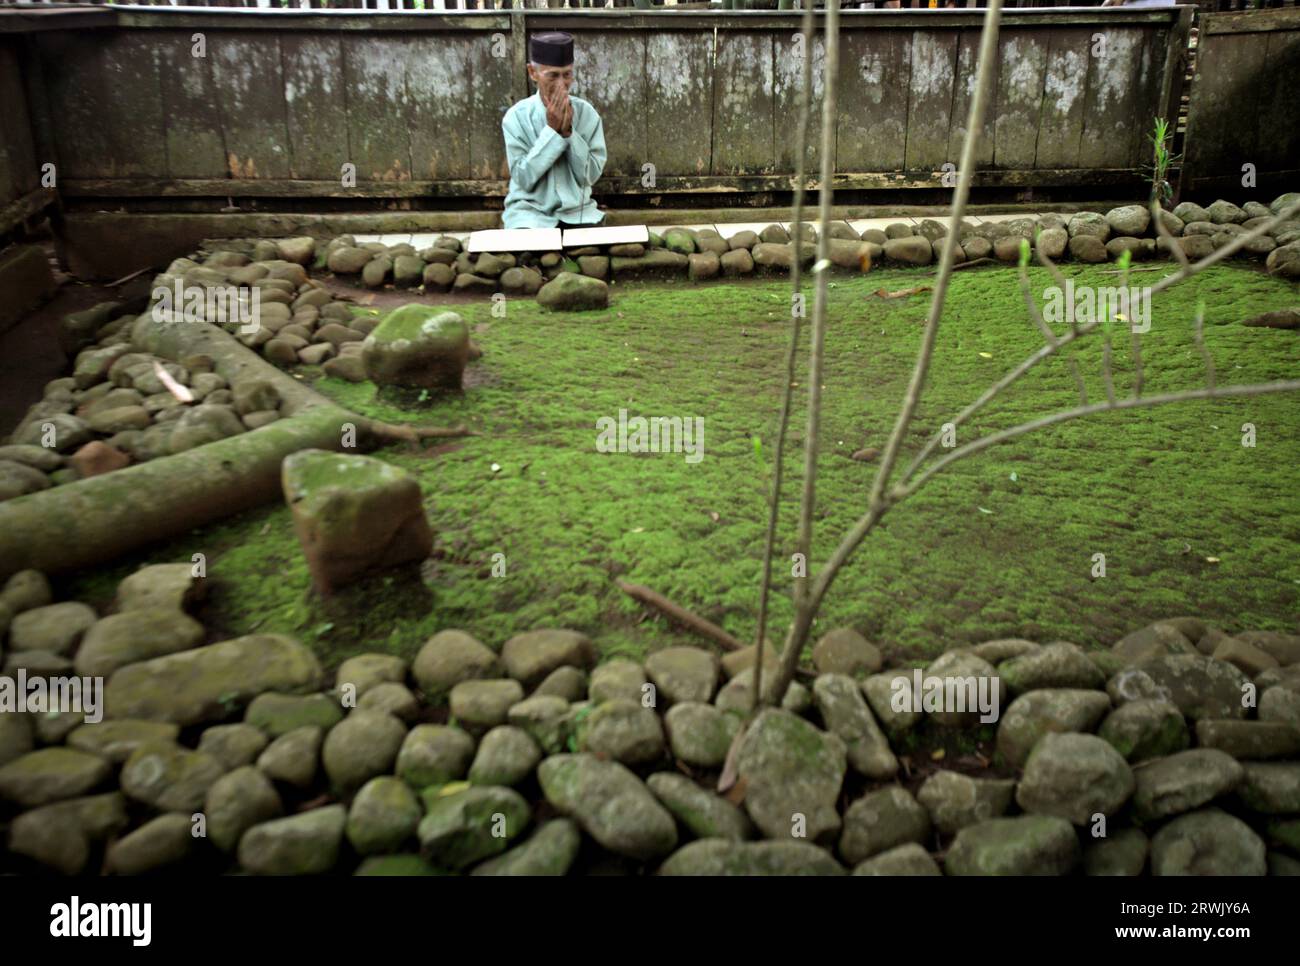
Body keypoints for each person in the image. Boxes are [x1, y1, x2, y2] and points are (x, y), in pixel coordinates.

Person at [501, 31, 608, 230]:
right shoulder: (516, 117)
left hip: (578, 213)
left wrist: (568, 134)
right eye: (552, 76)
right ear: (533, 73)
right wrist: (552, 132)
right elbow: (523, 178)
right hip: (529, 215)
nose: (561, 84)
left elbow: (589, 177)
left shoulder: (587, 115)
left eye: (566, 75)